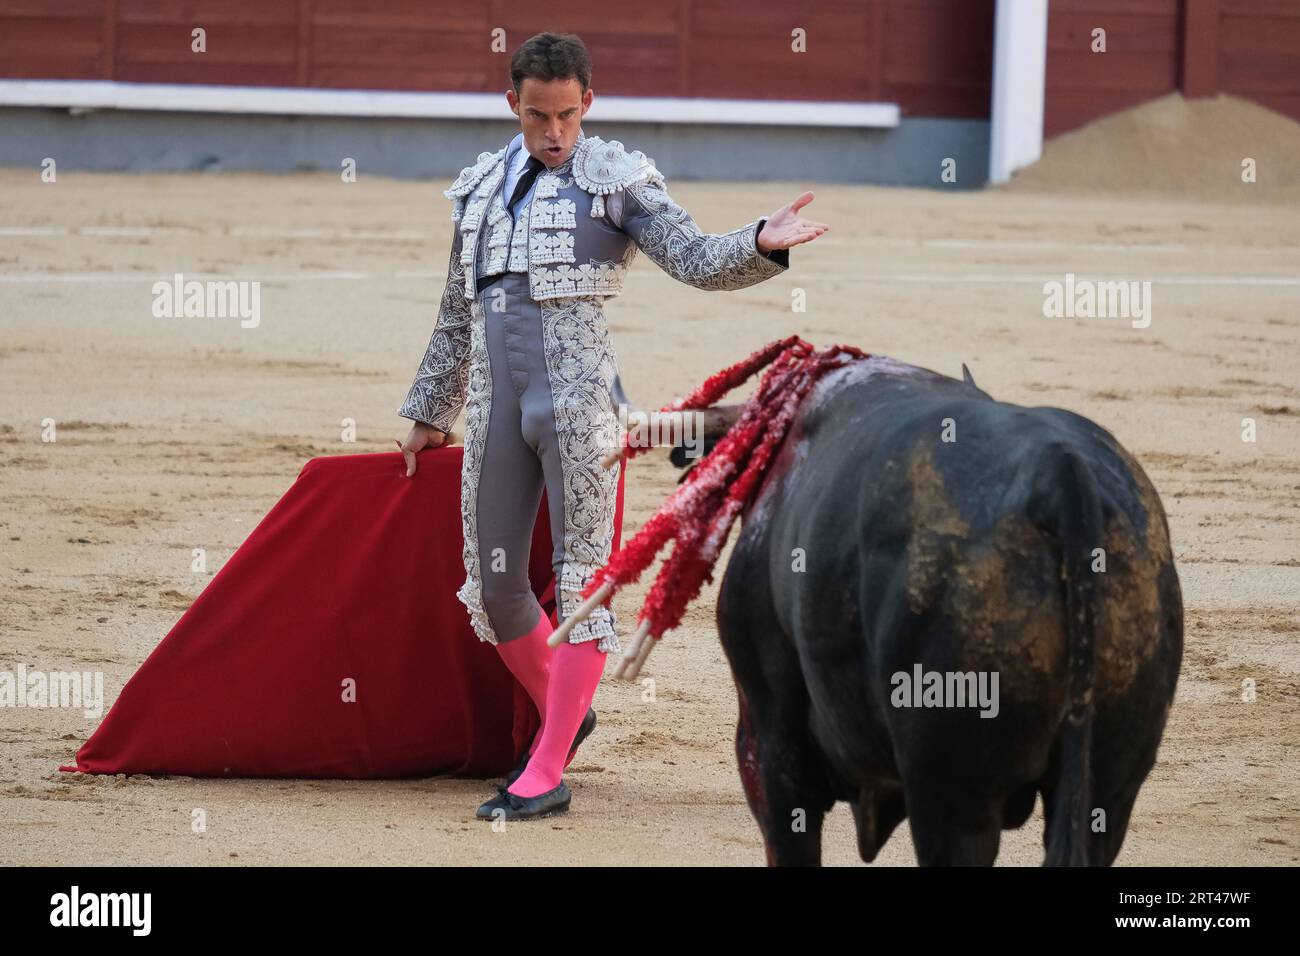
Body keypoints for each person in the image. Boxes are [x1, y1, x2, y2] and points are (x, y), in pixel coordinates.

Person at [395, 31, 829, 820]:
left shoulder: (617, 181)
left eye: (566, 115)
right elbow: (456, 311)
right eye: (538, 117)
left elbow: (695, 257)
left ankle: (547, 769)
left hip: (579, 407)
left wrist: (759, 243)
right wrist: (430, 408)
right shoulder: (480, 187)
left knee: (583, 581)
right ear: (512, 106)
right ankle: (567, 707)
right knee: (493, 588)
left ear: (589, 103)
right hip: (496, 407)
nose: (554, 134)